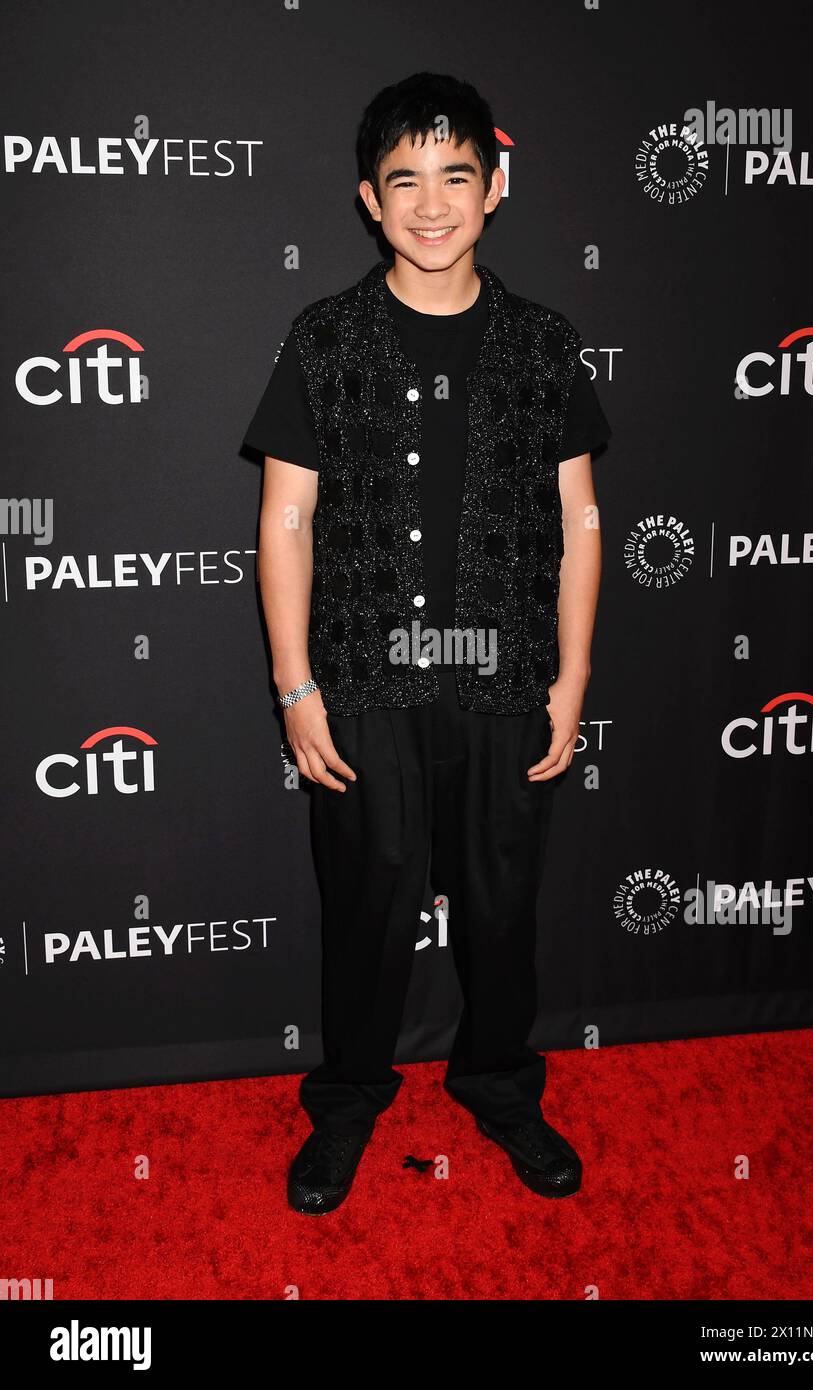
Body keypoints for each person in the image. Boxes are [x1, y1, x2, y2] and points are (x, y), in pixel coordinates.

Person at [241, 71, 612, 1215]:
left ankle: (499, 1085)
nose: (433, 201)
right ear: (370, 197)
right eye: (406, 178)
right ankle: (348, 1098)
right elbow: (286, 520)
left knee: (502, 908)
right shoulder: (327, 335)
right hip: (363, 677)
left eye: (458, 174)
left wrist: (574, 674)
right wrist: (295, 686)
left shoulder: (545, 342)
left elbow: (583, 521)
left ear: (494, 189)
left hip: (504, 677)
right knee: (367, 901)